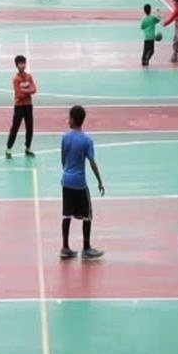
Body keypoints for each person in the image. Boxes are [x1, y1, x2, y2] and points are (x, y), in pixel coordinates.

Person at [60, 105, 105, 260]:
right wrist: (99, 181)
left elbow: (63, 159)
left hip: (66, 181)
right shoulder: (87, 140)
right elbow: (92, 162)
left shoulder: (65, 138)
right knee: (87, 215)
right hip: (79, 182)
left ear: (73, 119)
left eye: (69, 117)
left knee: (66, 214)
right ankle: (86, 248)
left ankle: (65, 247)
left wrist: (67, 173)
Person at [5, 54, 37, 159]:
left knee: (30, 128)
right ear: (16, 65)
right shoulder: (16, 79)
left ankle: (28, 148)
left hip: (28, 106)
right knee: (15, 128)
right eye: (20, 63)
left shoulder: (29, 76)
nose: (22, 65)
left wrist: (24, 91)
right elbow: (18, 94)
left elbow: (34, 89)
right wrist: (28, 91)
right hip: (19, 107)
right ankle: (8, 148)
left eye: (23, 63)